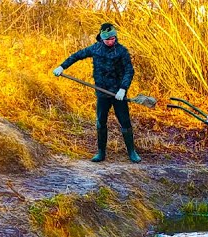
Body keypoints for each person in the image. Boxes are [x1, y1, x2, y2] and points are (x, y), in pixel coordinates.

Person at [52, 22, 141, 163]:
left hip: (118, 93)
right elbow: (77, 56)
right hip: (102, 92)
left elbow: (129, 71)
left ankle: (132, 152)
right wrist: (62, 67)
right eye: (108, 39)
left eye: (113, 38)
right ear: (102, 37)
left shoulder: (122, 51)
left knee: (125, 122)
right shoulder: (95, 49)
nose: (111, 41)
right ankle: (101, 153)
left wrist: (123, 89)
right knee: (101, 122)